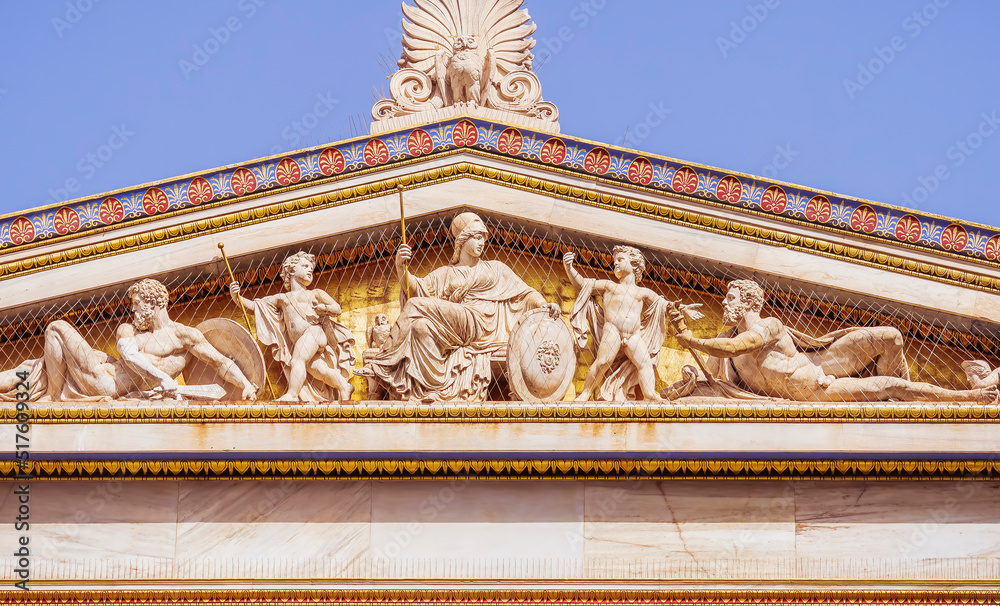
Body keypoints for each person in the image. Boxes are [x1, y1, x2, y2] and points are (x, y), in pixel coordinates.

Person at [670, 279, 997, 403]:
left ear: (749, 302)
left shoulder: (767, 325)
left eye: (730, 297)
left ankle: (964, 397)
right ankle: (964, 396)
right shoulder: (723, 354)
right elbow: (711, 383)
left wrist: (688, 338)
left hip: (821, 366)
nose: (723, 303)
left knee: (891, 337)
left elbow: (735, 346)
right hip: (820, 393)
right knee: (889, 387)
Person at [358, 212, 558, 402]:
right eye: (477, 237)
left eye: (483, 238)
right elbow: (418, 289)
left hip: (480, 324)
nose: (482, 242)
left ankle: (382, 362)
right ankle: (436, 388)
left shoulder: (496, 268)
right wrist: (401, 267)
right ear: (463, 239)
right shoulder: (445, 273)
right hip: (453, 330)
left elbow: (526, 293)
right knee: (420, 328)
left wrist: (543, 304)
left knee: (414, 305)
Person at [27, 278, 257, 401]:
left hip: (108, 386)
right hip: (102, 374)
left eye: (136, 304)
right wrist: (164, 378)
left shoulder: (185, 336)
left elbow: (220, 361)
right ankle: (52, 396)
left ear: (155, 302)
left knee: (56, 328)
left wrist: (245, 384)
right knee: (50, 339)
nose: (133, 310)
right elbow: (129, 356)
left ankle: (51, 396)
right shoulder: (128, 330)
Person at [565, 246, 703, 401]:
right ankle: (585, 393)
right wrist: (569, 268)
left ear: (634, 264)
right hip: (613, 331)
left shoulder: (642, 292)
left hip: (633, 335)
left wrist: (684, 309)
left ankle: (649, 394)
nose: (615, 263)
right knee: (603, 361)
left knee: (645, 364)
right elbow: (583, 284)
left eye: (620, 259)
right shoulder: (610, 286)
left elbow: (665, 305)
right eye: (614, 260)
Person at [230, 251, 354, 402]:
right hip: (303, 339)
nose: (310, 270)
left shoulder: (315, 294)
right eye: (305, 266)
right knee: (318, 370)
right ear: (291, 270)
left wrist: (323, 308)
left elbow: (337, 308)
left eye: (311, 268)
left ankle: (292, 395)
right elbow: (256, 307)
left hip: (314, 332)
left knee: (297, 361)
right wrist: (237, 298)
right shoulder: (283, 298)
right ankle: (344, 386)